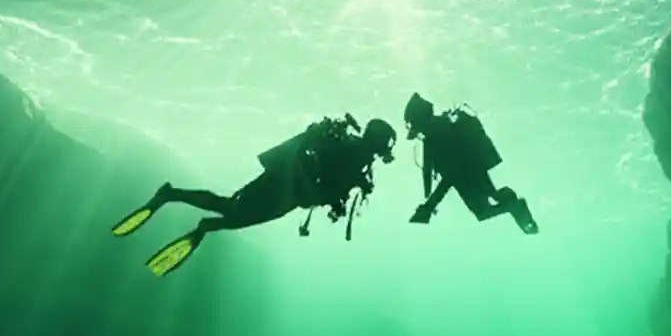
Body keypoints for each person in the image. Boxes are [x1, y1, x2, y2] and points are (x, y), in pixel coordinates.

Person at [111, 114, 397, 277]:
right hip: (285, 190)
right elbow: (326, 181)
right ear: (377, 142)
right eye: (382, 146)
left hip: (285, 188)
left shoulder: (355, 152)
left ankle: (180, 202)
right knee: (235, 211)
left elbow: (328, 180)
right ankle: (188, 211)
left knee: (232, 208)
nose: (382, 152)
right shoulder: (354, 153)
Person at [402, 92, 538, 233]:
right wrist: (428, 203)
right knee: (491, 197)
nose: (420, 132)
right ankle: (514, 205)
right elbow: (428, 170)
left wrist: (430, 204)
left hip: (466, 178)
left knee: (483, 212)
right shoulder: (442, 128)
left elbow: (447, 176)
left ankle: (515, 206)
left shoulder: (434, 139)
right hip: (476, 168)